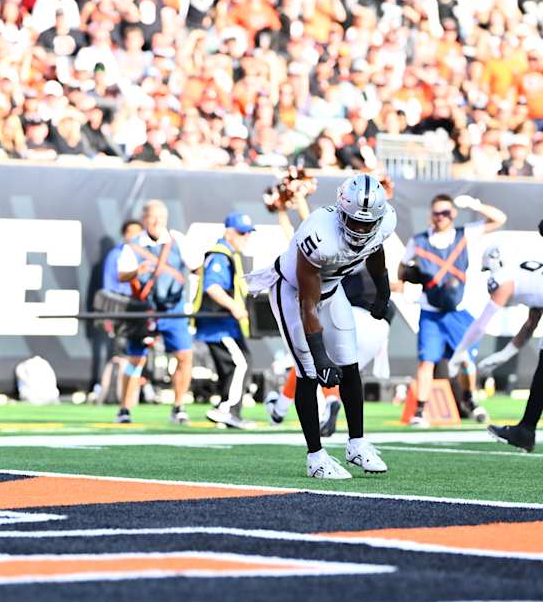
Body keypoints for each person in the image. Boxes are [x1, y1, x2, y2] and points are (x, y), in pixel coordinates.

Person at [247, 174, 394, 480]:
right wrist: (320, 355)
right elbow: (307, 302)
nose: (362, 229)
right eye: (356, 222)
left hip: (333, 286)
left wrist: (383, 292)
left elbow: (375, 251)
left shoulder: (384, 223)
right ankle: (315, 457)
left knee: (350, 366)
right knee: (309, 372)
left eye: (369, 223)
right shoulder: (319, 234)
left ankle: (357, 444)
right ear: (341, 213)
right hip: (293, 293)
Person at [399, 193, 505, 427]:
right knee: (426, 361)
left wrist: (476, 205)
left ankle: (469, 399)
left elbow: (499, 219)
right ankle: (419, 410)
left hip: (458, 310)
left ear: (453, 214)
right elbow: (402, 268)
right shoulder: (419, 240)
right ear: (431, 215)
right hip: (431, 310)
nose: (441, 217)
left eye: (446, 213)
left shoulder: (463, 234)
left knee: (466, 361)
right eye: (437, 213)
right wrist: (408, 279)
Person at [115, 200, 201, 425]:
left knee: (184, 356)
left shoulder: (178, 240)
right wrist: (137, 271)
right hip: (146, 309)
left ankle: (178, 406)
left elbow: (196, 267)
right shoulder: (132, 245)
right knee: (135, 359)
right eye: (152, 218)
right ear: (144, 219)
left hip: (174, 308)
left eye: (161, 218)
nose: (157, 223)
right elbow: (121, 274)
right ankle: (124, 409)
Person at [454, 246, 543, 452]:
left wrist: (459, 352)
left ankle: (526, 430)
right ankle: (526, 430)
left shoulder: (504, 278)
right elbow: (531, 324)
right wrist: (503, 356)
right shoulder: (530, 278)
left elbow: (481, 325)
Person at [195, 211, 255, 429]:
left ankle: (227, 409)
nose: (245, 237)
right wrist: (234, 306)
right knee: (242, 363)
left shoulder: (229, 254)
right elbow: (212, 286)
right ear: (228, 233)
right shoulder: (221, 254)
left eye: (248, 233)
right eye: (241, 232)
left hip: (224, 326)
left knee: (233, 367)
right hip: (218, 326)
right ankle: (227, 410)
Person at [93, 220, 143, 405]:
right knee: (121, 353)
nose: (135, 237)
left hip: (140, 309)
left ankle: (138, 393)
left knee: (137, 354)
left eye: (139, 233)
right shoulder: (116, 255)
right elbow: (110, 289)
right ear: (124, 234)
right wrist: (110, 315)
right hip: (121, 311)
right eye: (132, 233)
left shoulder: (145, 254)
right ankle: (116, 395)